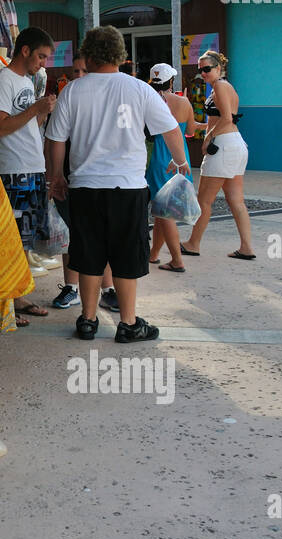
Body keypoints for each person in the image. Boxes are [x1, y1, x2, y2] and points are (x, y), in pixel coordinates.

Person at [45, 25, 190, 342]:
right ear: (120, 54)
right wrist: (180, 162)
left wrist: (56, 176)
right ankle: (128, 323)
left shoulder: (73, 90)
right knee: (127, 254)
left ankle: (87, 320)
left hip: (84, 187)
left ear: (89, 53)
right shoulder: (138, 89)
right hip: (127, 187)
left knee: (88, 254)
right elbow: (171, 130)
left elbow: (56, 139)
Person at [0, 26, 55, 321]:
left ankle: (16, 295)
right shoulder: (5, 81)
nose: (43, 63)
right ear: (25, 50)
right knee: (13, 239)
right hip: (14, 171)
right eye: (40, 56)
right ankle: (7, 301)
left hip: (30, 167)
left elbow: (26, 125)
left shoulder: (26, 81)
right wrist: (36, 109)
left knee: (24, 240)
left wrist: (42, 112)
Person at [48, 56, 116, 309]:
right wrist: (54, 175)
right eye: (75, 70)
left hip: (98, 178)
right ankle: (71, 287)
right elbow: (52, 141)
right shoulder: (64, 101)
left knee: (101, 236)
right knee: (71, 234)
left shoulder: (104, 101)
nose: (79, 75)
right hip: (68, 177)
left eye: (84, 70)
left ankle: (108, 289)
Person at [182, 50, 255, 258]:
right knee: (236, 200)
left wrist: (207, 138)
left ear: (218, 68)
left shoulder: (221, 86)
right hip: (234, 145)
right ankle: (246, 247)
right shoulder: (223, 87)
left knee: (204, 200)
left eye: (207, 69)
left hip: (223, 145)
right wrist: (201, 126)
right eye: (200, 69)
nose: (203, 73)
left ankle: (193, 244)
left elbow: (227, 118)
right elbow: (220, 119)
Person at [145, 62, 205, 271]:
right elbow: (190, 131)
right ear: (171, 81)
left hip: (156, 158)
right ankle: (160, 256)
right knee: (165, 212)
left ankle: (172, 259)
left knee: (162, 211)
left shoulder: (149, 101)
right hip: (179, 158)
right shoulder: (183, 102)